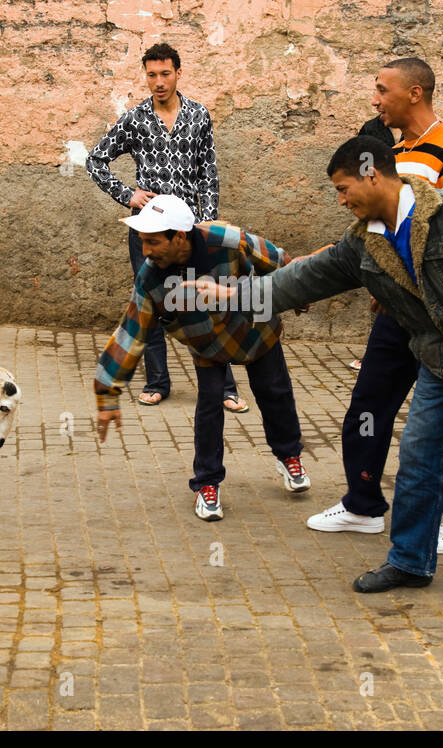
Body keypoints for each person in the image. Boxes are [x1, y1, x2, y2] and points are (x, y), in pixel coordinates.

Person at [221, 138, 443, 612]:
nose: (341, 199)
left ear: (371, 173)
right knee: (418, 461)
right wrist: (228, 296)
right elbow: (301, 279)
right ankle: (411, 561)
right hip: (440, 361)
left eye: (342, 188)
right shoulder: (363, 243)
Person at [307, 59, 443, 556]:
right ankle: (363, 505)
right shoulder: (395, 152)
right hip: (396, 312)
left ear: (414, 94)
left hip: (438, 316)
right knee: (368, 406)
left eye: (381, 90)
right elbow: (378, 221)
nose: (375, 100)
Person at [93, 194, 310, 522]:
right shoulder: (151, 278)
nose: (146, 252)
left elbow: (277, 259)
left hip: (255, 329)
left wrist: (297, 292)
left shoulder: (227, 241)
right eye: (142, 242)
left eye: (152, 242)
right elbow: (130, 334)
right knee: (209, 408)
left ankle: (289, 457)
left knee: (276, 394)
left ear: (179, 236)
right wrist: (107, 394)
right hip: (206, 342)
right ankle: (207, 485)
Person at [85, 43, 247, 413]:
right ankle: (158, 382)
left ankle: (225, 387)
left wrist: (209, 218)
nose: (158, 82)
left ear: (178, 72)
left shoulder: (198, 116)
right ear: (146, 75)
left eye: (165, 73)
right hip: (149, 229)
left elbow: (209, 172)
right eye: (152, 74)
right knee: (151, 303)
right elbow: (95, 161)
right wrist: (129, 195)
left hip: (189, 230)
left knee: (205, 302)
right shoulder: (135, 119)